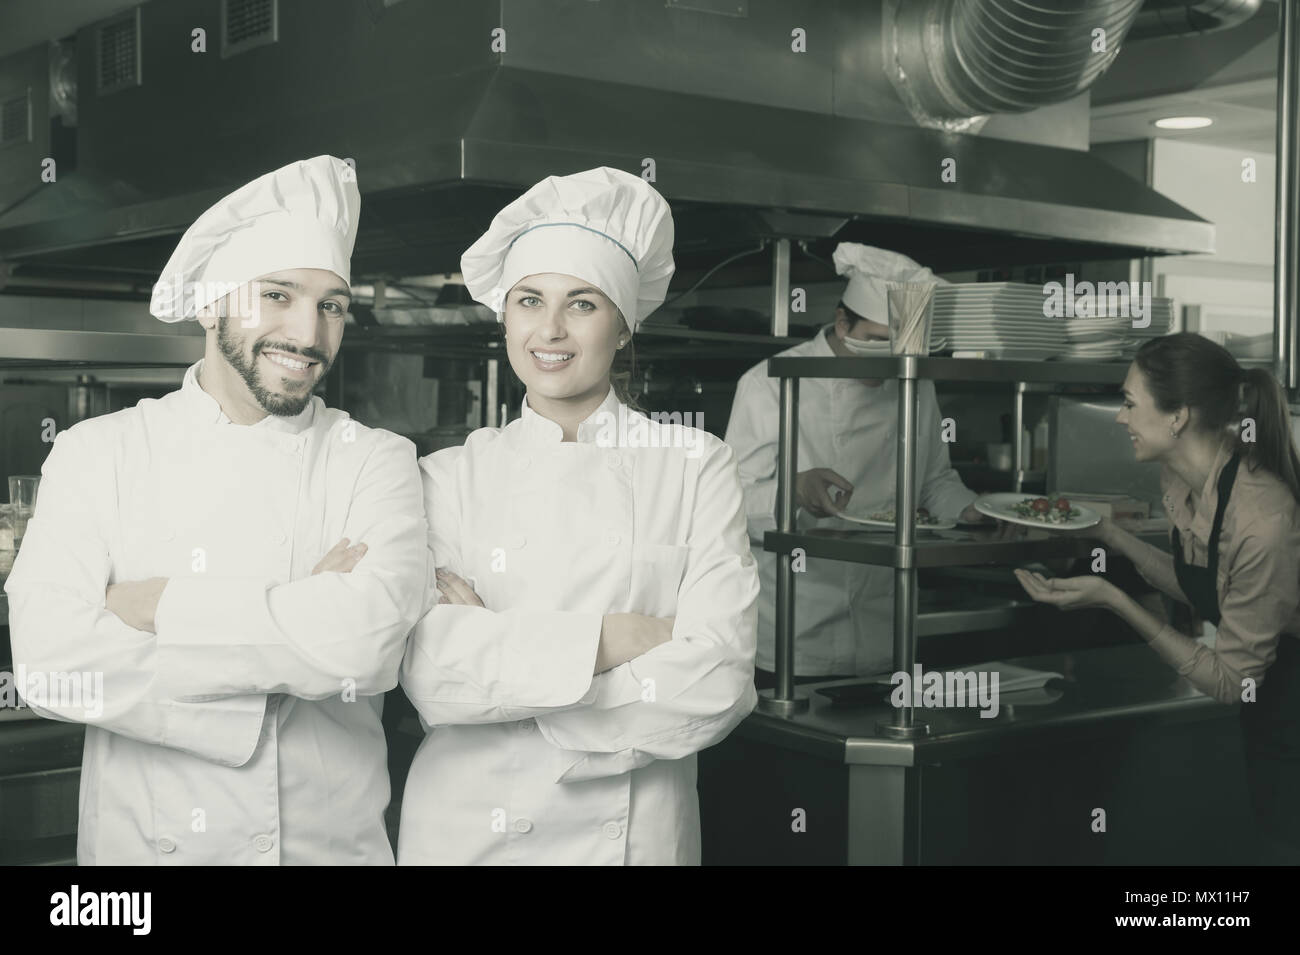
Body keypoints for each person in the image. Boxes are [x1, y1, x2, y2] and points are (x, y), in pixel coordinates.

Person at [5, 156, 429, 865]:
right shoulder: (98, 452)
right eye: (279, 294)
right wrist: (298, 618)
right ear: (210, 304)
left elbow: (366, 645)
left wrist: (161, 607)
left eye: (331, 305)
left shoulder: (374, 458)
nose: (307, 333)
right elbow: (51, 665)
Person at [397, 167, 759, 865]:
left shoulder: (695, 464)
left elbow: (719, 682)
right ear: (506, 314)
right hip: (469, 832)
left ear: (623, 327)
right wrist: (616, 637)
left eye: (584, 304)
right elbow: (433, 678)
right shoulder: (446, 475)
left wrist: (510, 671)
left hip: (636, 835)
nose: (551, 330)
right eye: (530, 300)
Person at [1015, 333, 1300, 864]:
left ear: (1178, 417)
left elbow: (1230, 682)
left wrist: (1114, 600)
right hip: (1275, 709)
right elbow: (1207, 583)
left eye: (1128, 403)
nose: (1120, 418)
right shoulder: (1188, 480)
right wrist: (1106, 533)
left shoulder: (1262, 517)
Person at [725, 243, 983, 684]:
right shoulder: (769, 381)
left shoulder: (915, 385)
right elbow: (729, 507)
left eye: (903, 350)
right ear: (843, 323)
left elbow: (934, 481)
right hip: (794, 632)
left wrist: (972, 511)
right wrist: (794, 491)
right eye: (878, 344)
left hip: (887, 628)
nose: (891, 364)